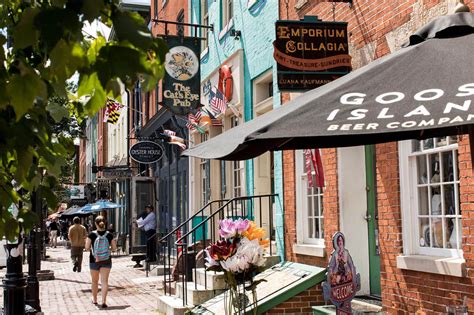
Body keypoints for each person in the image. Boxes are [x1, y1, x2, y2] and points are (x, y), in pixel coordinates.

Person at [85, 215, 117, 309]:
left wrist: (91, 249)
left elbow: (87, 248)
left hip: (94, 260)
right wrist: (108, 250)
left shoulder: (91, 235)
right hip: (106, 260)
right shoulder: (109, 235)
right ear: (105, 223)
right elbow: (114, 248)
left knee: (94, 281)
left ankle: (94, 299)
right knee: (104, 282)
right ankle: (103, 301)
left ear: (95, 223)